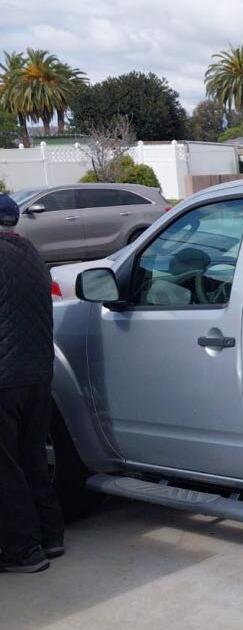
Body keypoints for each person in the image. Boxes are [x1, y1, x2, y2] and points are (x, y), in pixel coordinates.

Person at [0, 191, 64, 573]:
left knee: (4, 469)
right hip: (38, 375)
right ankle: (51, 536)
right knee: (32, 458)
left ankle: (23, 551)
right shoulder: (31, 255)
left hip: (4, 382)